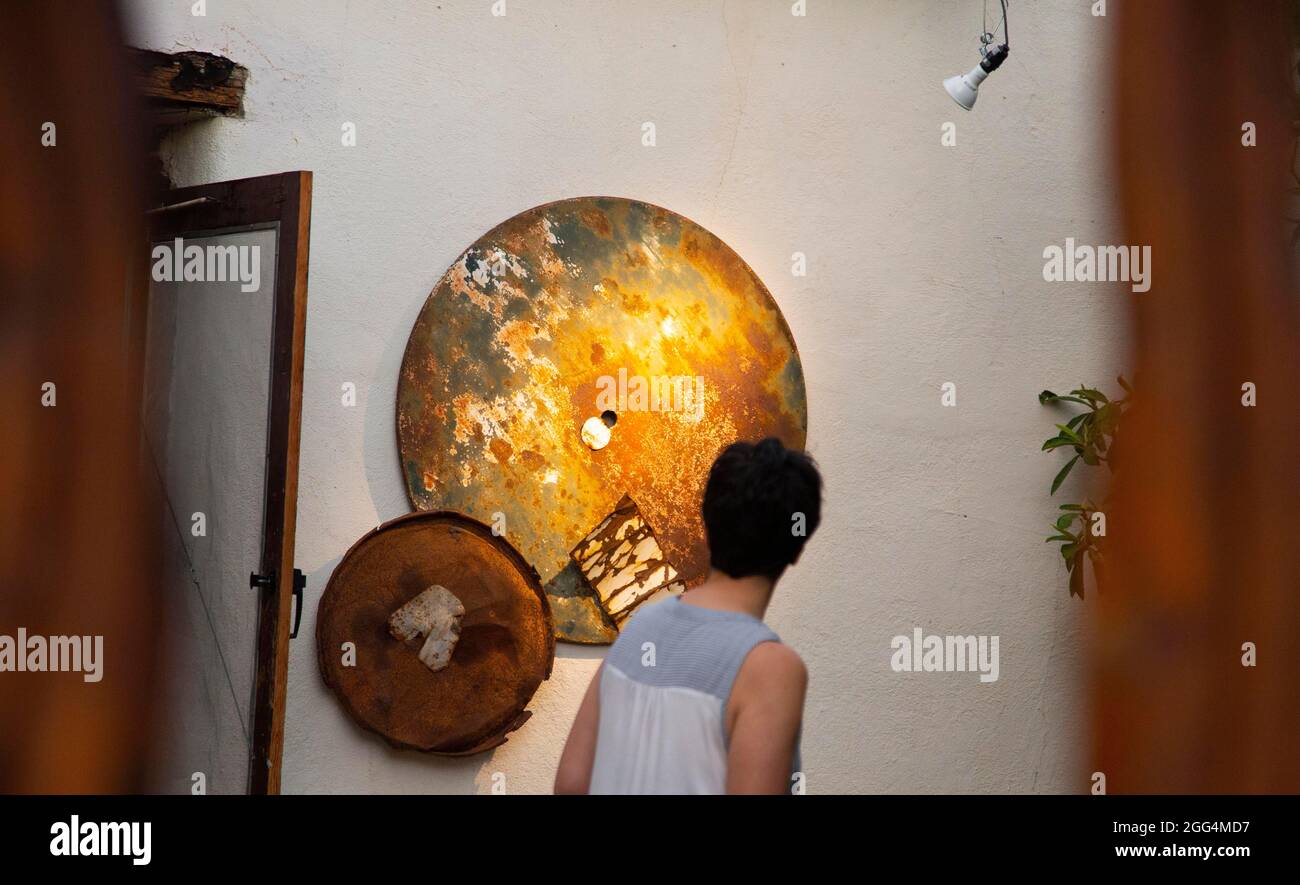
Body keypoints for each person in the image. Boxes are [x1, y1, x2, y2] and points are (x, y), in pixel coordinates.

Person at [554, 437, 823, 794]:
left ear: (707, 526)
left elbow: (571, 784)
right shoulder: (771, 668)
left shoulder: (639, 629)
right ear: (797, 547)